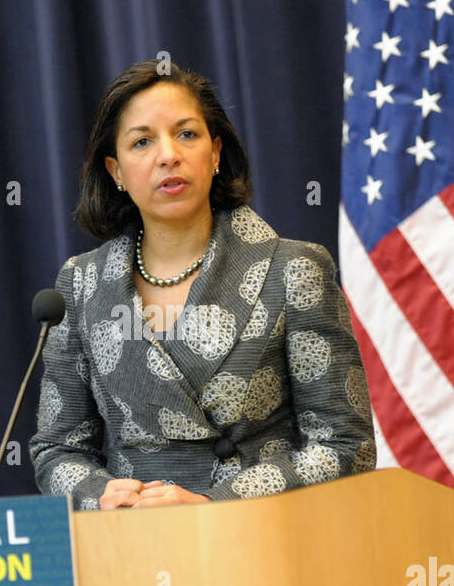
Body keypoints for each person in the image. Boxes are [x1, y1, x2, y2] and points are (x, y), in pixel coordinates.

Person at [29, 61, 376, 510]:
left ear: (215, 153)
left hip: (262, 544)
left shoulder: (293, 270)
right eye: (142, 141)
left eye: (187, 134)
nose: (168, 154)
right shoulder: (80, 285)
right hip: (136, 548)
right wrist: (101, 494)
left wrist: (213, 504)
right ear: (115, 171)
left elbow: (347, 446)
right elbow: (57, 449)